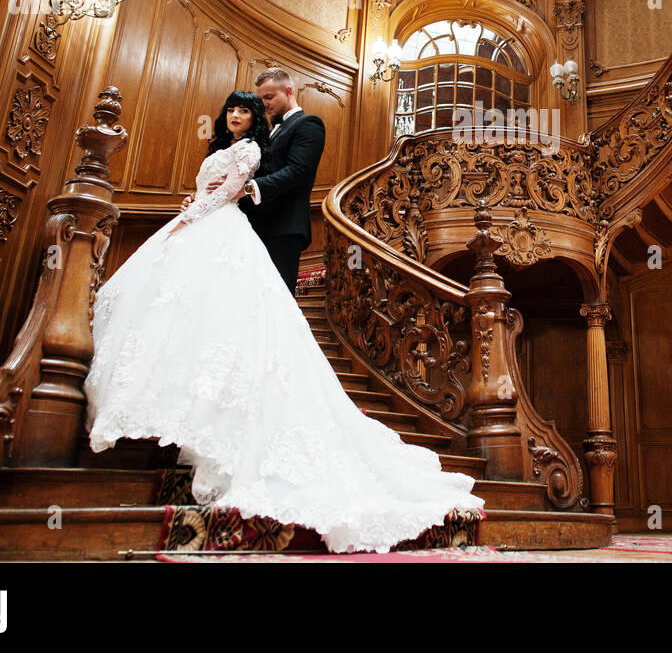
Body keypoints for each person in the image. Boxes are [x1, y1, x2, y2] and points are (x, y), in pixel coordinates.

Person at [84, 90, 484, 553]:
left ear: (275, 100)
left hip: (237, 225)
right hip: (224, 227)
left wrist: (201, 211)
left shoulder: (292, 131)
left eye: (253, 105)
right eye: (234, 108)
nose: (241, 114)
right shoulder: (231, 144)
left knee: (251, 323)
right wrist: (194, 205)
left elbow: (277, 178)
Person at [188, 67, 324, 296]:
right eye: (260, 99)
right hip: (253, 223)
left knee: (276, 300)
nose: (263, 104)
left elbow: (297, 170)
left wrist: (247, 188)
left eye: (269, 97)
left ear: (289, 91)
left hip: (283, 228)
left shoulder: (309, 123)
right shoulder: (267, 133)